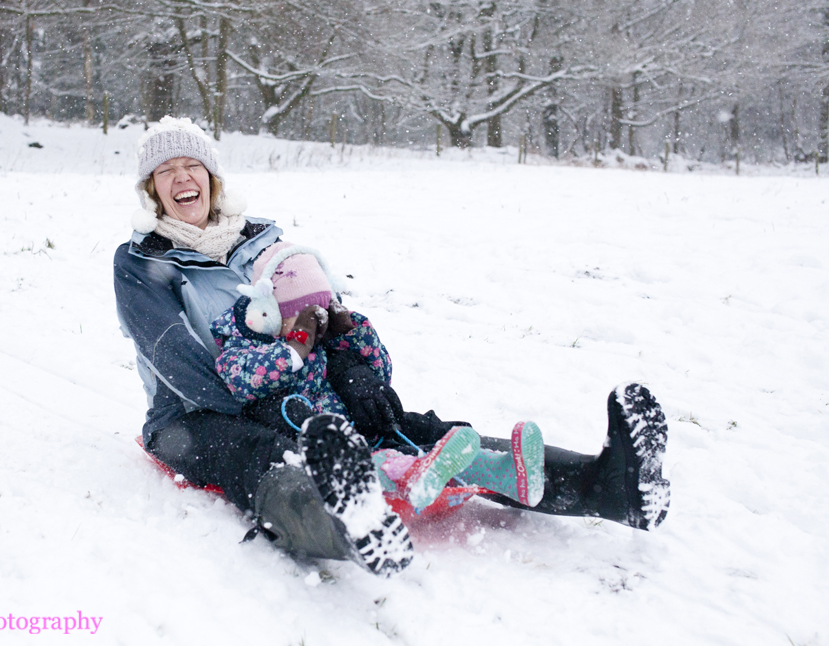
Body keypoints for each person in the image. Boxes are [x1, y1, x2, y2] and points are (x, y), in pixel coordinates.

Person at [112, 116, 672, 575]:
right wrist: (269, 400)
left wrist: (355, 369)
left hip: (302, 388)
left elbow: (323, 311)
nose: (182, 178)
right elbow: (174, 359)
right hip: (195, 414)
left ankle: (608, 487)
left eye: (192, 165)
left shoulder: (265, 240)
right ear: (151, 190)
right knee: (257, 452)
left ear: (213, 177)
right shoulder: (141, 263)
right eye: (166, 171)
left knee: (406, 429)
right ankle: (343, 523)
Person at [210, 240, 546, 512]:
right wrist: (294, 349)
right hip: (319, 444)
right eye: (298, 315)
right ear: (266, 313)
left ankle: (501, 472)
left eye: (319, 313)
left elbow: (380, 370)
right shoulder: (243, 342)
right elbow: (242, 379)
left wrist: (351, 330)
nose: (310, 324)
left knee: (414, 424)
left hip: (357, 422)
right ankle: (412, 474)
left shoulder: (328, 338)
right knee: (374, 454)